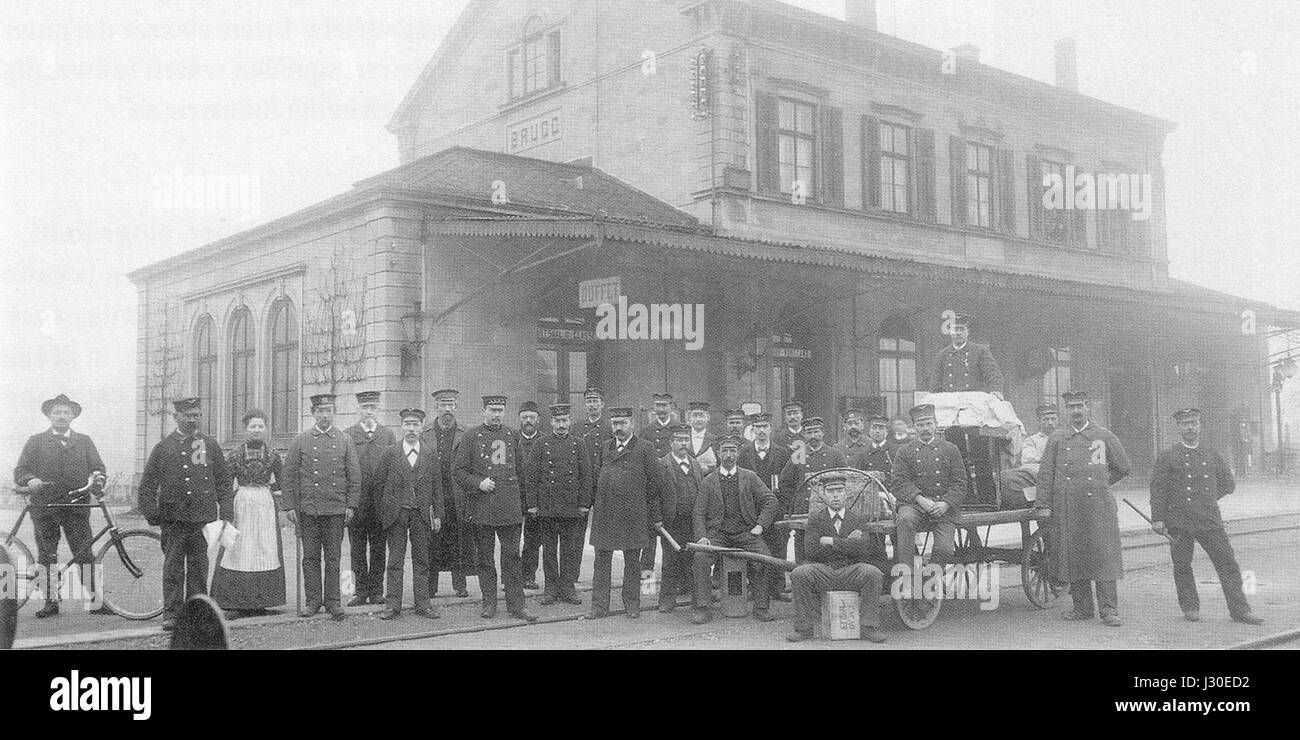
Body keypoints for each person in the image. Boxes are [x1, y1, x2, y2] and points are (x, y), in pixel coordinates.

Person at [1150, 409, 1263, 625]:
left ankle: (1240, 610)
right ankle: (1190, 607)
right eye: (1185, 424)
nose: (1190, 428)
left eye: (1193, 423)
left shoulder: (1211, 454)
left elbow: (1228, 484)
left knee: (1228, 564)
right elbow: (1158, 489)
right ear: (1178, 428)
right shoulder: (1167, 456)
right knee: (1182, 565)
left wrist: (1207, 499)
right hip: (1179, 522)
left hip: (1208, 520)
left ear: (1200, 425)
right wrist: (1158, 518)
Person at [1035, 390, 1131, 627]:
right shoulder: (1058, 438)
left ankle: (1109, 610)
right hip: (1067, 507)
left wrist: (1101, 483)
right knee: (1074, 556)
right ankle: (1082, 608)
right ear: (1066, 410)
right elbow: (1046, 473)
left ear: (1088, 408)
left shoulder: (1103, 436)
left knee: (1103, 556)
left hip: (1098, 508)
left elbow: (1123, 467)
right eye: (1071, 407)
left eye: (1080, 406)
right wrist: (1043, 505)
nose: (1076, 411)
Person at [137, 397, 233, 631]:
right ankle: (171, 614)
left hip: (203, 518)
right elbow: (147, 484)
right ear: (176, 417)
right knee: (173, 568)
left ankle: (197, 614)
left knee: (199, 568)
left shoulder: (209, 445)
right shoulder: (163, 448)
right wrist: (153, 514)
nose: (192, 419)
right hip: (174, 520)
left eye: (196, 415)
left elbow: (223, 480)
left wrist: (226, 511)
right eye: (188, 415)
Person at [13, 394, 108, 618]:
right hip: (45, 507)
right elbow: (20, 471)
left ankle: (96, 600)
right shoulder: (35, 441)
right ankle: (50, 603)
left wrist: (98, 478)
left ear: (73, 416)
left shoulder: (84, 441)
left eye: (66, 412)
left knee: (84, 553)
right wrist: (30, 480)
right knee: (47, 555)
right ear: (49, 415)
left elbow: (98, 468)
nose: (62, 416)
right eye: (57, 412)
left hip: (76, 507)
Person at [454, 395, 536, 621]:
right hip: (483, 507)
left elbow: (521, 470)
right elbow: (459, 471)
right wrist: (478, 483)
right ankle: (489, 603)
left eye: (500, 410)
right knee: (485, 558)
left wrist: (523, 504)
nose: (496, 414)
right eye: (492, 410)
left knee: (512, 557)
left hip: (509, 507)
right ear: (484, 411)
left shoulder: (512, 435)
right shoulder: (471, 436)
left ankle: (517, 605)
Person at [282, 393, 361, 621]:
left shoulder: (345, 440)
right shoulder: (301, 440)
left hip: (336, 510)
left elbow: (354, 477)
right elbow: (288, 475)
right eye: (320, 411)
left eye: (329, 411)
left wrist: (351, 505)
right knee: (311, 558)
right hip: (309, 510)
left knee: (334, 558)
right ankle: (313, 601)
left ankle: (334, 602)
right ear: (313, 413)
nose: (325, 415)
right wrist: (289, 506)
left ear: (333, 412)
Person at [786, 473, 887, 643]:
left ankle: (868, 627)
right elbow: (811, 551)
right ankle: (803, 628)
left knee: (873, 573)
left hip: (850, 571)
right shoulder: (815, 519)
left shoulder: (857, 519)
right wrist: (848, 543)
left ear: (846, 494)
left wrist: (831, 541)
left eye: (839, 491)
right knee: (799, 574)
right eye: (830, 491)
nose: (835, 495)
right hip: (823, 571)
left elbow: (863, 550)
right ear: (824, 495)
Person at [690, 436, 780, 625]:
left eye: (732, 451)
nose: (729, 455)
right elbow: (698, 512)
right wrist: (702, 536)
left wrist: (760, 525)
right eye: (725, 451)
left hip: (746, 533)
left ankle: (761, 607)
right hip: (718, 535)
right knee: (700, 558)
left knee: (765, 557)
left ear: (738, 453)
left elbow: (770, 501)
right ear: (718, 453)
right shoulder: (709, 481)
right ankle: (703, 607)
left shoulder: (750, 477)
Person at [587, 407, 663, 620]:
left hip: (633, 514)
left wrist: (641, 504)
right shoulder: (605, 447)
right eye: (615, 424)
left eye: (622, 423)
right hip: (605, 514)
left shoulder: (645, 447)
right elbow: (595, 477)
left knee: (632, 561)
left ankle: (632, 604)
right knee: (601, 561)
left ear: (632, 424)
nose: (618, 428)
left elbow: (656, 481)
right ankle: (599, 606)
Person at [211, 409, 286, 617]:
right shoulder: (235, 454)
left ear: (266, 428)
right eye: (253, 426)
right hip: (242, 504)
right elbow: (224, 481)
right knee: (239, 549)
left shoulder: (273, 454)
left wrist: (270, 488)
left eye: (260, 426)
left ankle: (262, 601)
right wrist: (230, 501)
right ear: (245, 429)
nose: (256, 430)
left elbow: (283, 480)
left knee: (264, 547)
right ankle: (236, 601)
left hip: (264, 504)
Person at [370, 408, 443, 621]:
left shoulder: (430, 453)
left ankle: (423, 604)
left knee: (422, 560)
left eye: (415, 425)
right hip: (397, 516)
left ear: (422, 427)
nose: (411, 429)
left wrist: (437, 514)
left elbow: (438, 487)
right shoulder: (390, 453)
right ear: (401, 426)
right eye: (407, 424)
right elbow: (378, 485)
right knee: (395, 561)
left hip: (421, 515)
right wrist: (385, 511)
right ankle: (393, 605)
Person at [526, 404, 592, 606]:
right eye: (557, 421)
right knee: (549, 550)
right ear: (551, 422)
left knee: (570, 550)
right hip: (548, 507)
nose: (561, 425)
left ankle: (568, 587)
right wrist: (533, 505)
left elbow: (586, 476)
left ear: (569, 422)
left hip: (571, 508)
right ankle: (551, 589)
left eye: (565, 421)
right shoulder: (541, 444)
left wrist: (583, 504)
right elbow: (532, 476)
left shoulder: (579, 444)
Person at [889, 404, 967, 570]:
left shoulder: (950, 449)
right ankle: (907, 576)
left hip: (943, 506)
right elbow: (898, 482)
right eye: (920, 425)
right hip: (914, 504)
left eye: (929, 424)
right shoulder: (904, 451)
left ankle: (929, 579)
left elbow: (960, 482)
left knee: (945, 550)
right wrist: (920, 499)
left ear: (936, 424)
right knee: (905, 520)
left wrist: (946, 503)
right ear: (913, 428)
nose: (925, 428)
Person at [345, 390, 395, 607]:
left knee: (378, 549)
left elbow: (393, 469)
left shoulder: (387, 435)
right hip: (356, 503)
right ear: (358, 410)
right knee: (356, 549)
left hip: (380, 504)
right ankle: (359, 591)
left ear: (378, 410)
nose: (368, 412)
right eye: (365, 408)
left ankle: (376, 591)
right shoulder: (348, 435)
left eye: (372, 408)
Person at [422, 388, 473, 598]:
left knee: (458, 539)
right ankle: (430, 587)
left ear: (456, 407)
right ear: (436, 407)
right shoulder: (425, 433)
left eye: (451, 405)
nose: (447, 410)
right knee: (432, 541)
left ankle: (460, 585)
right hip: (435, 495)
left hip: (457, 495)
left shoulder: (466, 432)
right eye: (443, 405)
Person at [738, 412, 793, 600]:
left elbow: (788, 483)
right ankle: (756, 588)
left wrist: (784, 508)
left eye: (765, 427)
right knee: (753, 548)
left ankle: (777, 587)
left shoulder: (783, 453)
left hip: (776, 509)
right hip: (751, 510)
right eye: (757, 427)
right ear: (752, 430)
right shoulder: (743, 453)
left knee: (778, 547)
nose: (761, 431)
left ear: (770, 429)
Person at [778, 417, 847, 563]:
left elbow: (845, 481)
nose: (813, 436)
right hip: (804, 507)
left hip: (829, 507)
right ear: (804, 435)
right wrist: (796, 501)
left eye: (816, 432)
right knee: (802, 540)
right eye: (809, 432)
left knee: (829, 540)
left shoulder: (835, 454)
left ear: (823, 433)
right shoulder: (799, 454)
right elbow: (785, 482)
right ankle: (801, 573)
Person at [657, 424, 706, 613]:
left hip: (693, 521)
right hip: (671, 522)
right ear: (671, 443)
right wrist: (657, 519)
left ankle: (698, 600)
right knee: (670, 561)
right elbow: (654, 495)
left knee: (694, 562)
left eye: (686, 439)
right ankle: (667, 600)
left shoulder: (694, 463)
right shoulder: (662, 464)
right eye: (679, 440)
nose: (683, 443)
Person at [640, 392, 677, 578]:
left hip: (673, 490)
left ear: (672, 407)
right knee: (649, 539)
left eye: (665, 405)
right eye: (658, 405)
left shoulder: (679, 429)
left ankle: (672, 580)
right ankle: (648, 585)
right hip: (651, 490)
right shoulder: (646, 431)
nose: (661, 409)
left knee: (672, 537)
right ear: (653, 408)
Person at [999, 404, 1058, 508]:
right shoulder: (1032, 440)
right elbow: (1028, 458)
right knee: (1006, 477)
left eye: (1053, 419)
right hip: (1035, 475)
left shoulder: (1062, 439)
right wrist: (1050, 459)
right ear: (1039, 421)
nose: (1050, 423)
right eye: (1046, 419)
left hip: (1055, 475)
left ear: (1057, 420)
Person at [930, 313, 1004, 396]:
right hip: (949, 400)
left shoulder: (980, 351)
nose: (958, 333)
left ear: (968, 332)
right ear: (950, 332)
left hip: (974, 400)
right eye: (955, 330)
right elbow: (936, 381)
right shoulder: (942, 354)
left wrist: (995, 389)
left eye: (962, 329)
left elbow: (992, 373)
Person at [517, 401, 544, 591]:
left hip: (536, 498)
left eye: (532, 417)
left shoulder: (544, 440)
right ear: (519, 419)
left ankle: (528, 576)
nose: (528, 421)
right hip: (514, 496)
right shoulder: (511, 439)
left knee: (533, 539)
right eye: (525, 417)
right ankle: (509, 578)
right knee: (510, 540)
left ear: (538, 420)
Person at [846, 414, 894, 480]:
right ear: (869, 432)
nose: (877, 431)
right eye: (874, 428)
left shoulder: (895, 451)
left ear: (887, 432)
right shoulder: (863, 455)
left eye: (881, 428)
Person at [579, 387, 614, 471]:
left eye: (595, 401)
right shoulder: (576, 426)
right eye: (588, 402)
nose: (591, 405)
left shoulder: (610, 426)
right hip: (584, 472)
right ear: (585, 405)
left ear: (602, 404)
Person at [685, 401, 719, 473]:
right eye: (695, 416)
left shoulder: (715, 439)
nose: (698, 419)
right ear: (689, 418)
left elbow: (719, 465)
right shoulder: (684, 438)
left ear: (708, 417)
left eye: (701, 416)